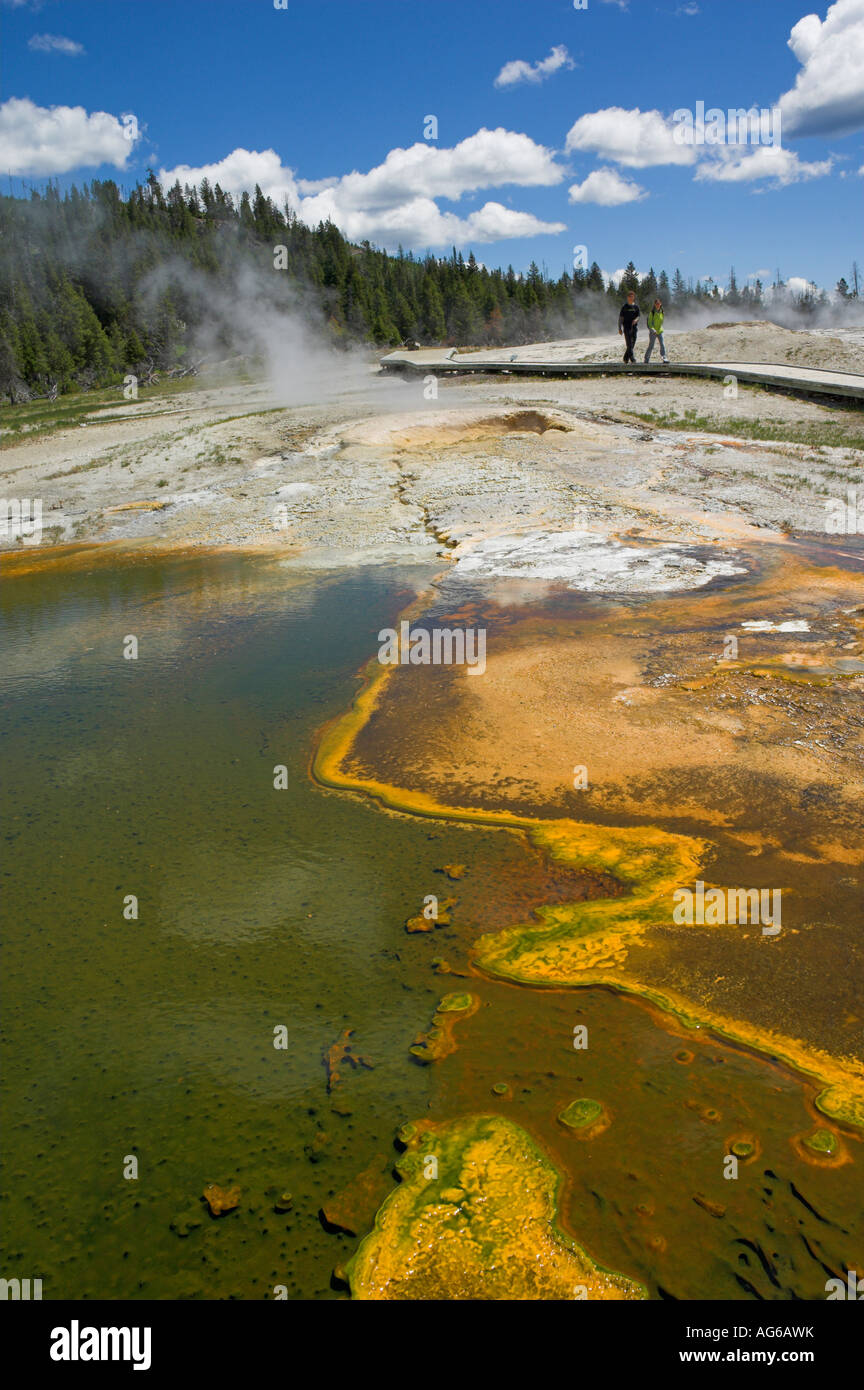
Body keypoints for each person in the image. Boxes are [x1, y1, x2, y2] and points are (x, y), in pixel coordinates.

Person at [644, 298, 669, 364]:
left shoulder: (662, 312)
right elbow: (649, 323)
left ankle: (664, 357)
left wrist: (660, 328)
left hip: (660, 330)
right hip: (653, 332)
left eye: (659, 303)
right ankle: (646, 359)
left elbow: (661, 321)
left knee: (662, 344)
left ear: (660, 304)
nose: (658, 305)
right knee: (651, 346)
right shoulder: (652, 313)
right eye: (656, 304)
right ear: (654, 304)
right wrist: (653, 330)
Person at [618, 290, 640, 363]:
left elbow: (638, 316)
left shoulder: (636, 307)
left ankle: (625, 357)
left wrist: (636, 320)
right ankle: (632, 359)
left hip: (634, 327)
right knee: (629, 343)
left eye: (632, 296)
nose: (630, 298)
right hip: (626, 327)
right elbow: (621, 318)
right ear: (627, 298)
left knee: (633, 343)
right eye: (629, 296)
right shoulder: (624, 307)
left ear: (634, 297)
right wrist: (619, 328)